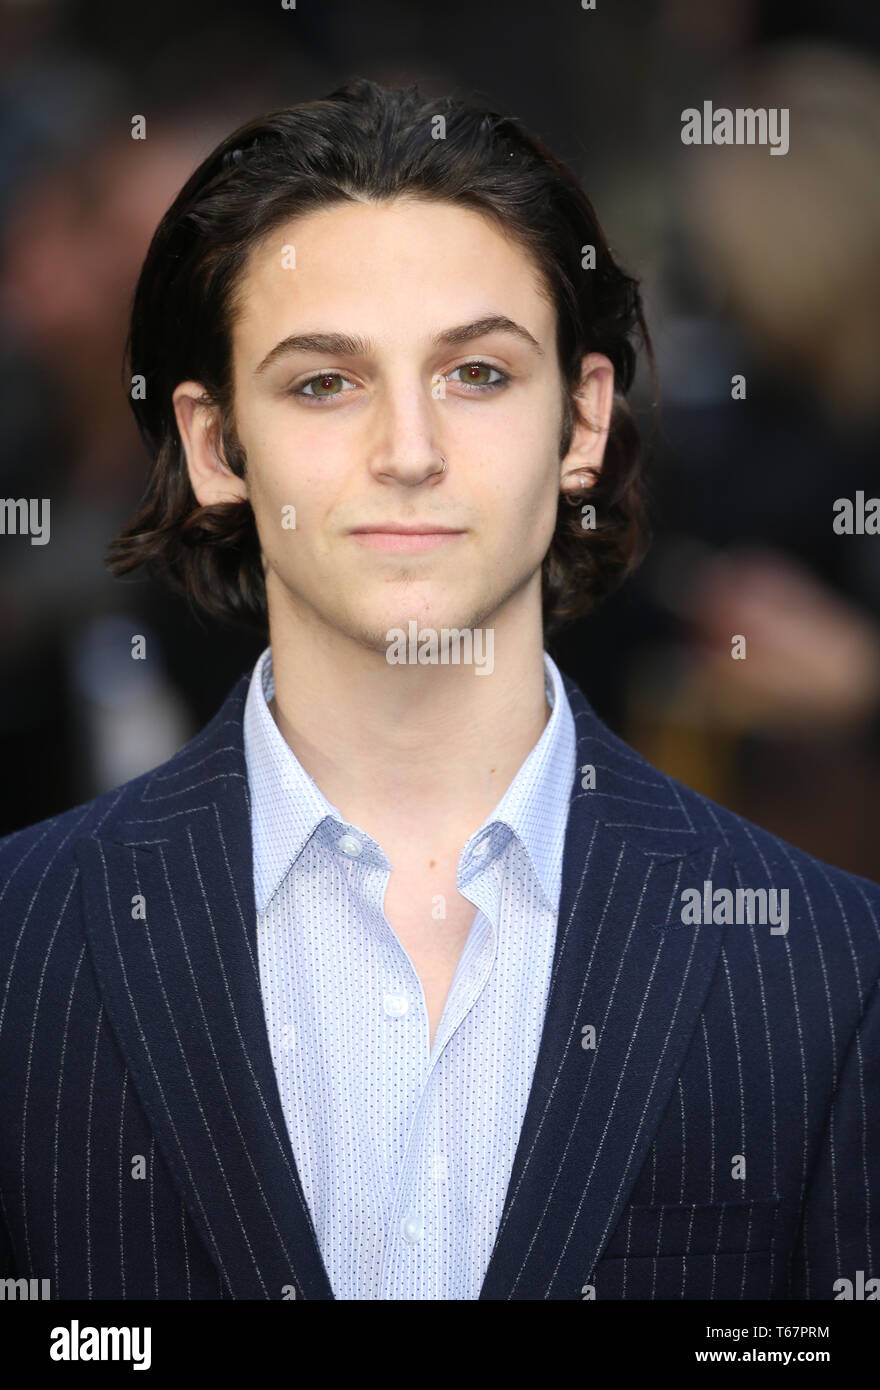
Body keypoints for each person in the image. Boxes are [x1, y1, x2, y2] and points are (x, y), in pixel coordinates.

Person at [0, 77, 877, 1302]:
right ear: (214, 446)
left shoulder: (830, 969)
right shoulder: (23, 943)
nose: (407, 451)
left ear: (581, 420)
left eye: (476, 374)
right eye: (323, 382)